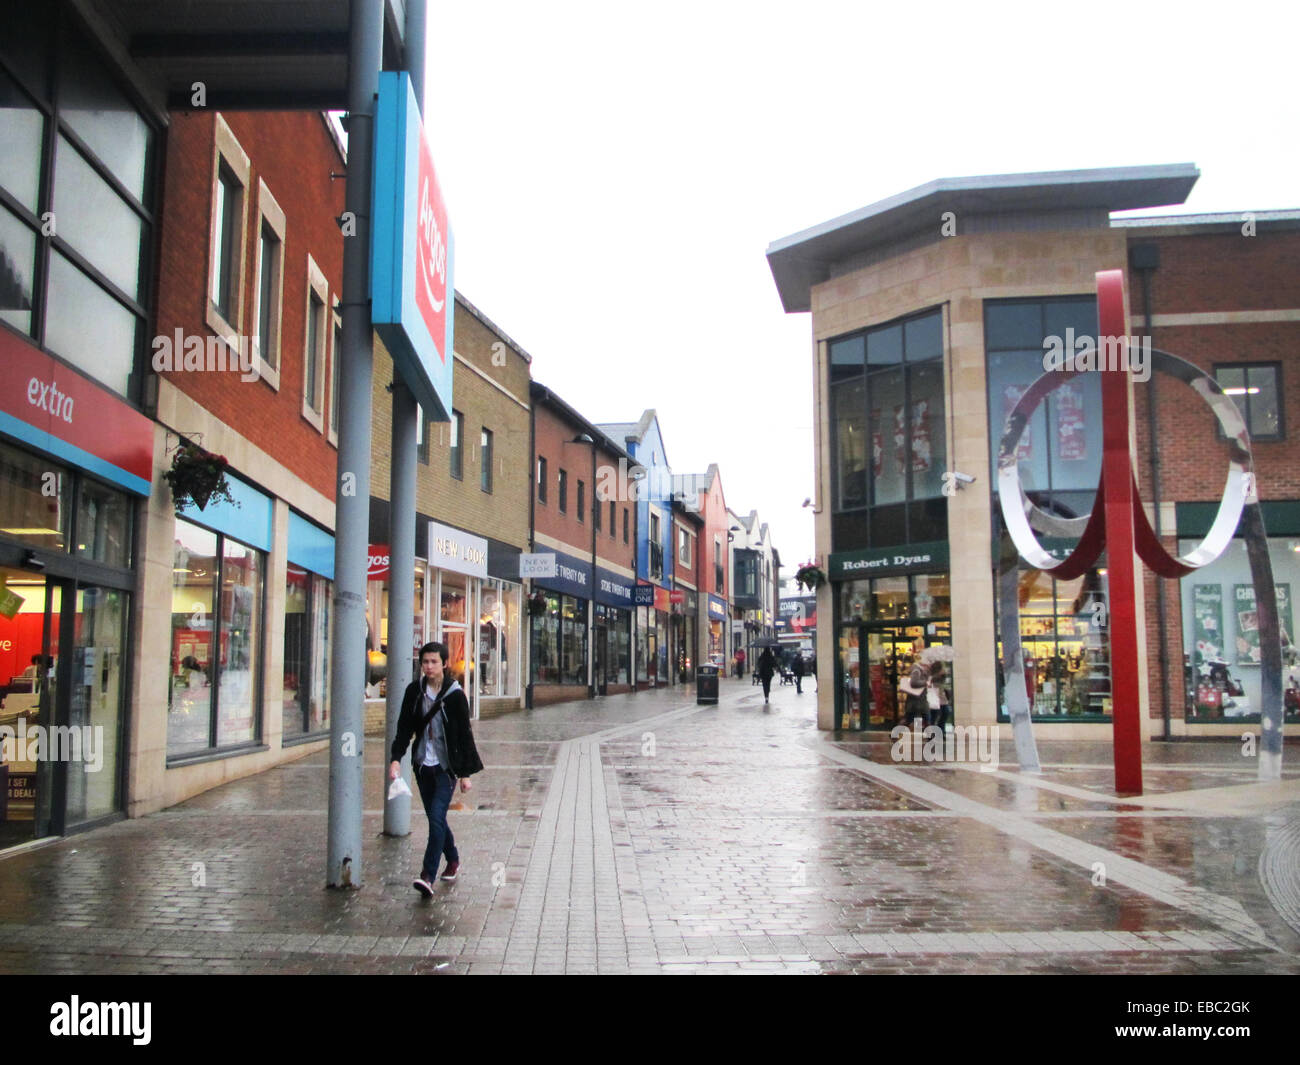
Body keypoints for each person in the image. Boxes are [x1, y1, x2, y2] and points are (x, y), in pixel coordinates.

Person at [390, 641, 484, 897]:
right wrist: (396, 758)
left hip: (445, 768)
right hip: (422, 766)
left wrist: (464, 775)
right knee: (437, 817)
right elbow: (404, 728)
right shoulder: (414, 692)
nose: (428, 666)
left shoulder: (454, 695)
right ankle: (453, 859)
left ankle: (427, 876)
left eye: (433, 662)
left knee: (434, 818)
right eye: (425, 662)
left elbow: (464, 735)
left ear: (444, 664)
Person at [929, 661, 951, 733]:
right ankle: (932, 732)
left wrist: (943, 674)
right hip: (934, 694)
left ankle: (941, 729)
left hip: (941, 694)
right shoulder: (930, 669)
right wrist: (938, 674)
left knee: (946, 711)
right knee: (934, 714)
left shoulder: (942, 668)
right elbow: (930, 680)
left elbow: (943, 680)